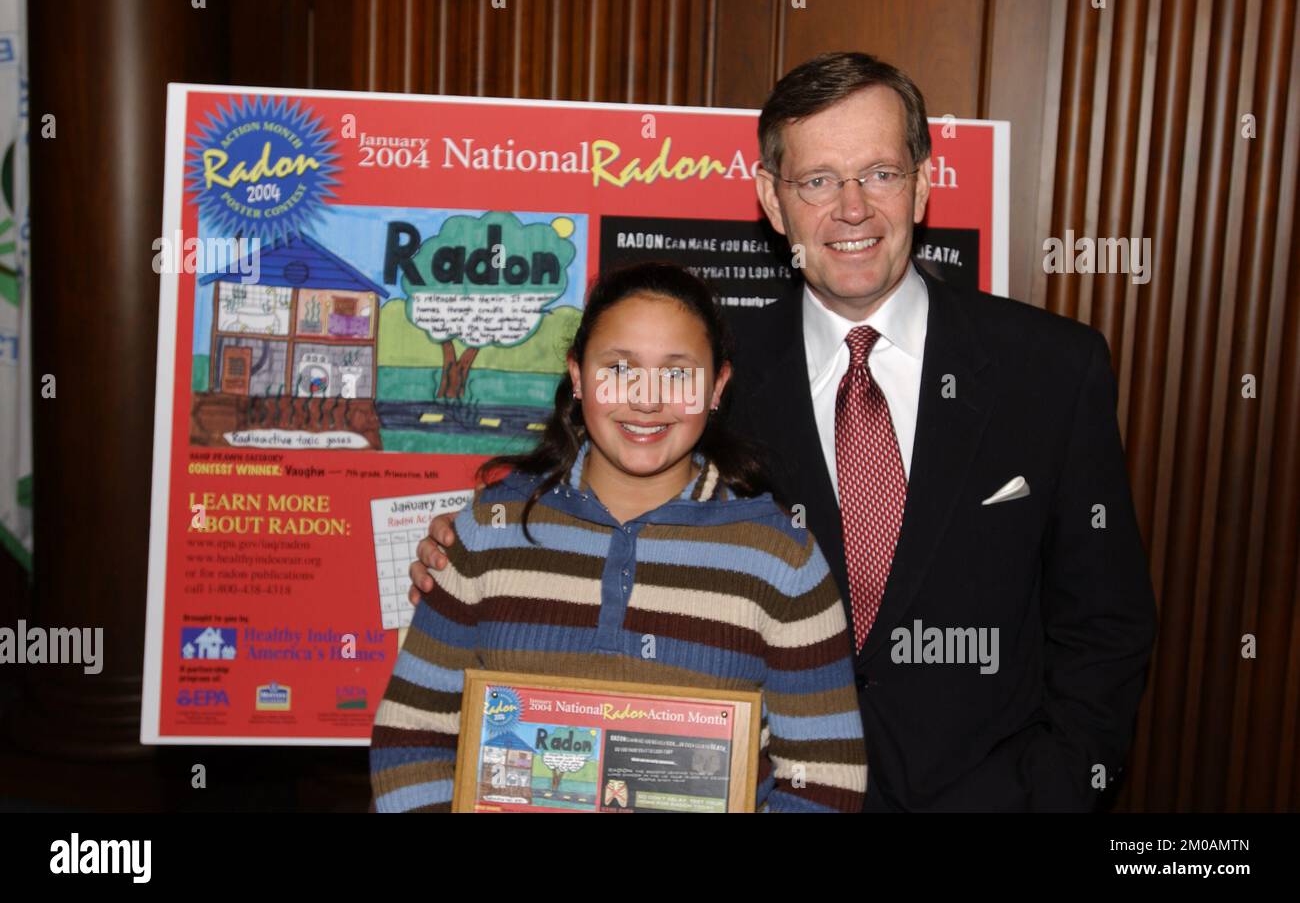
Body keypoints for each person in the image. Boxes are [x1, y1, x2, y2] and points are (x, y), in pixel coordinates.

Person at [414, 52, 1158, 812]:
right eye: (818, 181)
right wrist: (469, 543)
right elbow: (593, 506)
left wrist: (1059, 785)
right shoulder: (706, 376)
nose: (853, 208)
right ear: (773, 200)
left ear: (925, 181)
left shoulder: (1052, 369)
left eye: (880, 173)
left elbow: (1106, 621)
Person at [371, 261, 868, 812]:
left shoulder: (781, 558)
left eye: (678, 373)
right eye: (618, 368)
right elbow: (412, 735)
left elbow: (823, 778)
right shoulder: (490, 533)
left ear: (718, 386)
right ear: (578, 376)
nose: (646, 399)